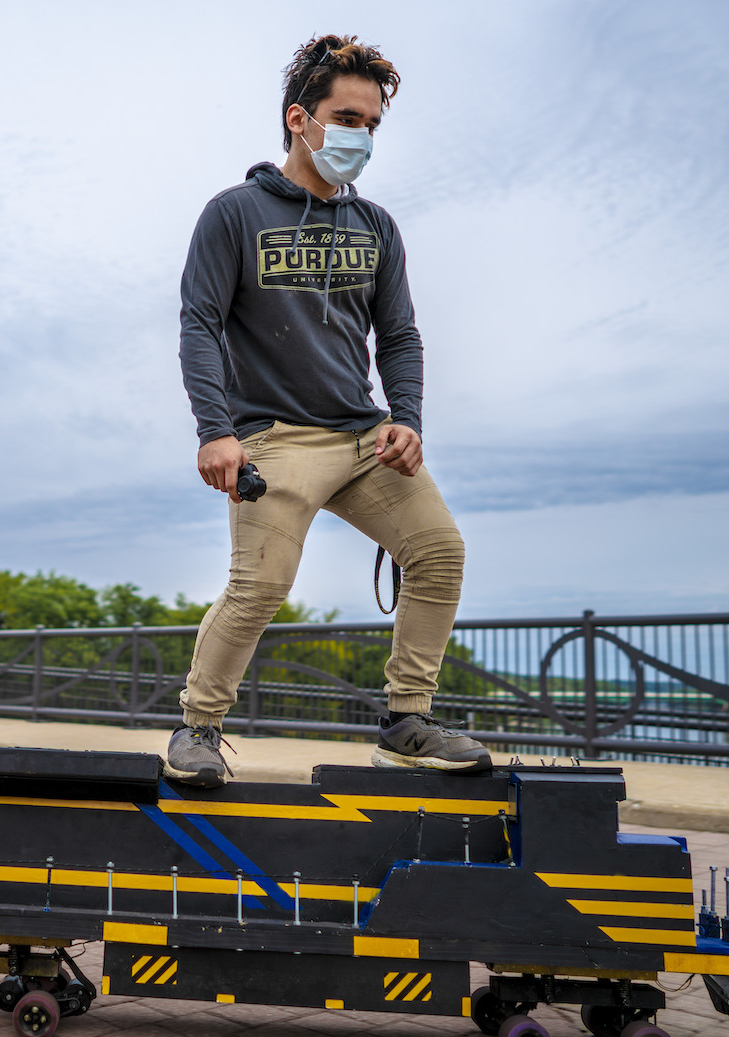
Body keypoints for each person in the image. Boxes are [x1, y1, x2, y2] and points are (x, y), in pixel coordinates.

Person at [167, 33, 490, 788]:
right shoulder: (234, 213)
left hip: (362, 438)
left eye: (372, 125)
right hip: (272, 440)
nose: (361, 137)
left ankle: (406, 722)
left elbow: (400, 334)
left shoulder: (375, 226)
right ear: (299, 119)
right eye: (348, 118)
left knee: (439, 552)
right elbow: (199, 323)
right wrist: (216, 431)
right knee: (262, 584)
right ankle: (199, 729)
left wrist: (406, 418)